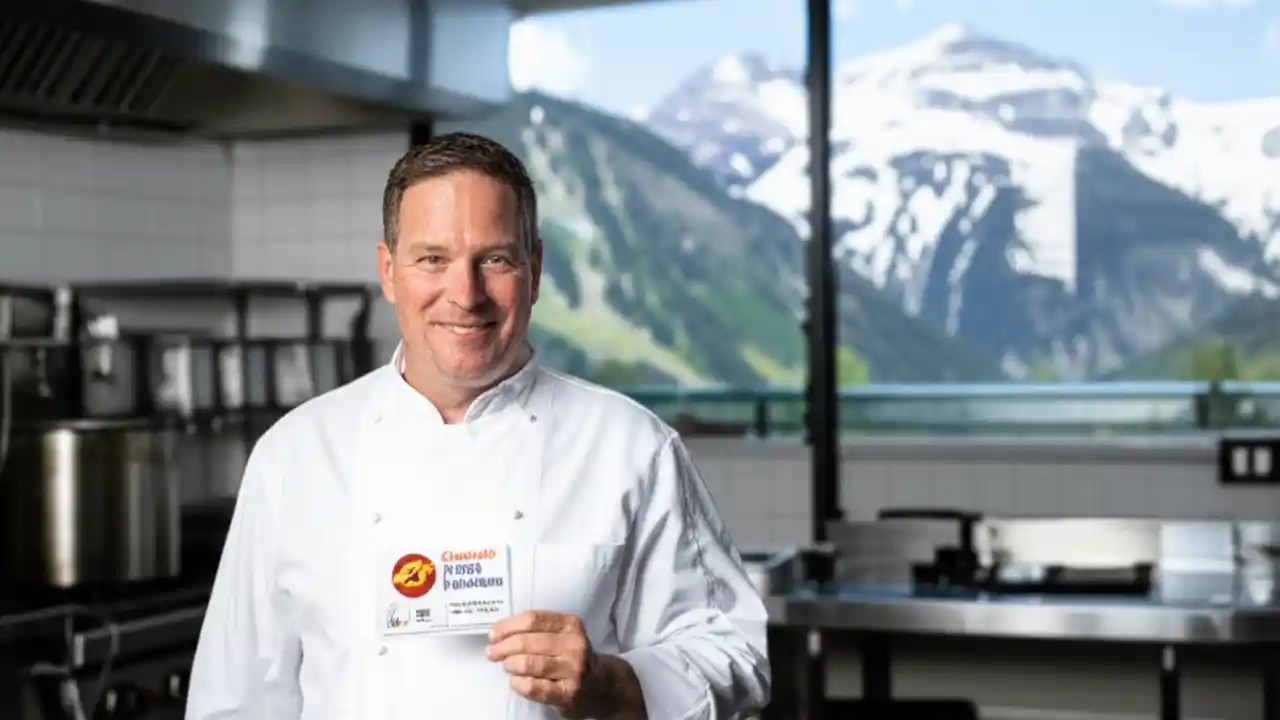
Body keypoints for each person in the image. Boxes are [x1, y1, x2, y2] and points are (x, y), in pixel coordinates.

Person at [185, 132, 770, 719]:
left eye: (495, 260)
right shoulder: (294, 456)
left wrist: (611, 684)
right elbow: (234, 701)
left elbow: (735, 652)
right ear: (388, 271)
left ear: (535, 270)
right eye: (432, 259)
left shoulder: (631, 448)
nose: (465, 295)